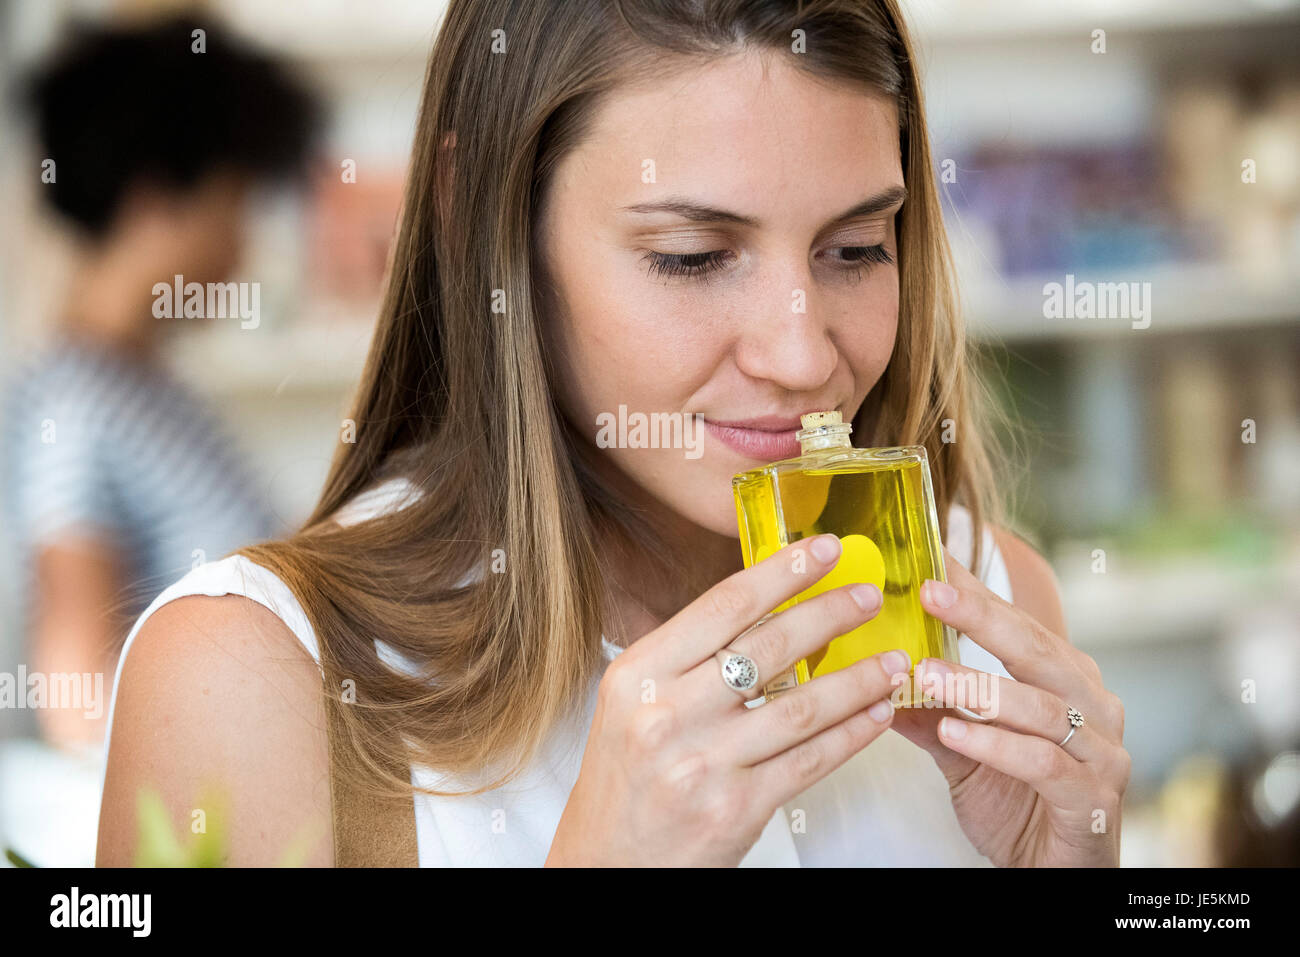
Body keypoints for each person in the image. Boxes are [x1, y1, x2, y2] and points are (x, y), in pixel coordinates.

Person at [97, 0, 1130, 867]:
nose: (803, 355)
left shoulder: (992, 602)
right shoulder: (248, 681)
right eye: (691, 255)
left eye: (856, 248)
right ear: (475, 217)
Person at [2, 16, 319, 753]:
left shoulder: (144, 389)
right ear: (156, 201)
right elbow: (79, 696)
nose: (243, 242)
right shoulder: (72, 401)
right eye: (234, 201)